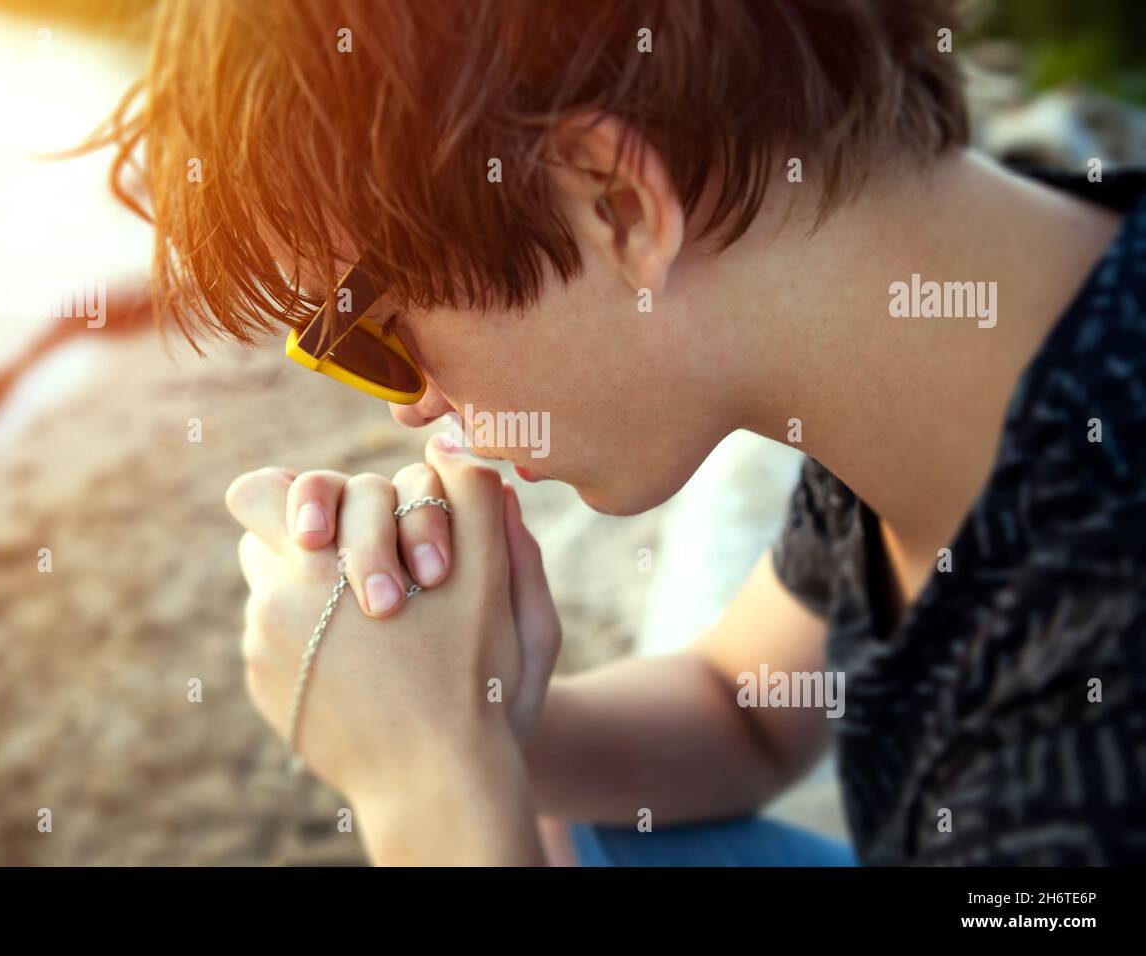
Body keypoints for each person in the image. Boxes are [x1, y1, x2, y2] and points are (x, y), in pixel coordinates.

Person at [97, 0, 1146, 864]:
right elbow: (743, 707)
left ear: (615, 202)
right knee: (570, 820)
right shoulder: (980, 325)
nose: (405, 406)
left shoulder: (1089, 732)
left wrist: (421, 781)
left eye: (369, 331)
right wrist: (463, 707)